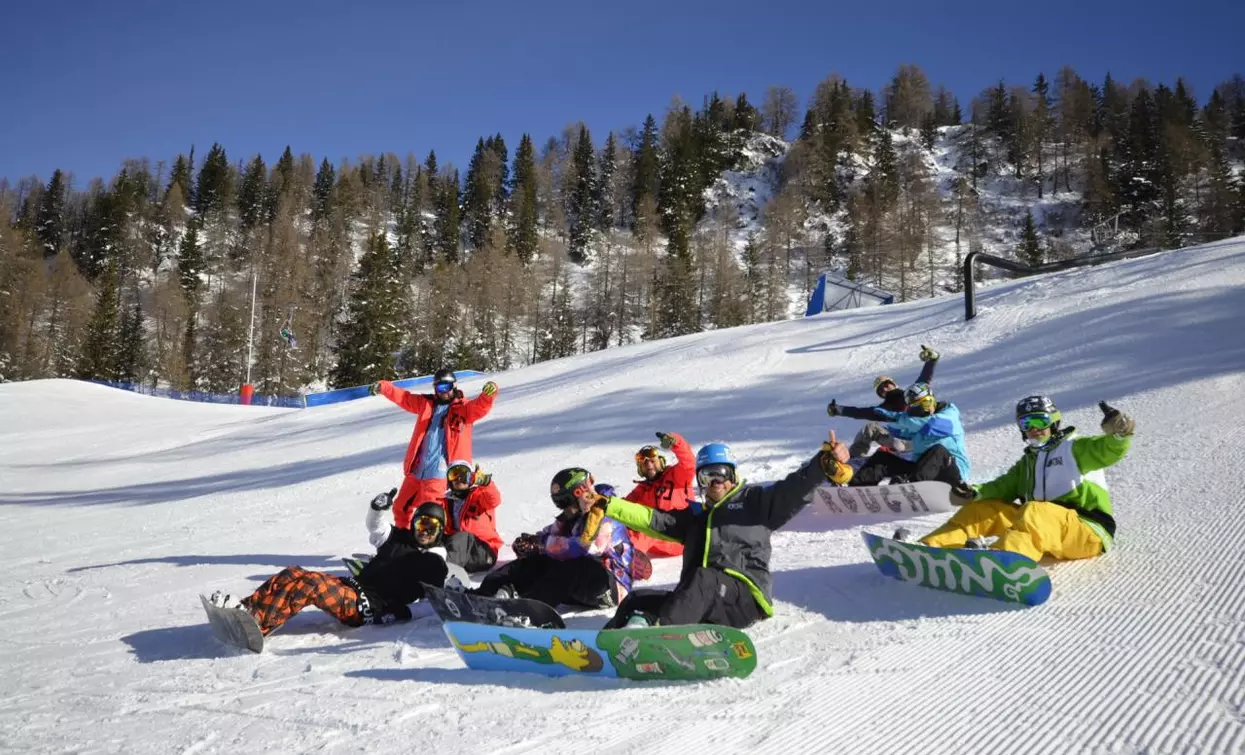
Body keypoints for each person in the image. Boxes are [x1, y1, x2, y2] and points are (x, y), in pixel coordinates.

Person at [591, 431, 851, 630]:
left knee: (704, 578)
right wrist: (608, 504)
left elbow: (791, 490)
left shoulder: (755, 502)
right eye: (707, 477)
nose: (715, 482)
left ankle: (663, 637)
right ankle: (606, 645)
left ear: (733, 475)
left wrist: (822, 465)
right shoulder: (696, 517)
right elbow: (651, 519)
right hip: (703, 599)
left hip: (744, 600)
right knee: (638, 600)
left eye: (721, 473)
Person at [915, 398, 1135, 562]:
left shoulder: (1075, 448)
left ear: (1054, 422)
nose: (1033, 429)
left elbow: (1108, 450)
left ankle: (1002, 561)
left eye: (1040, 420)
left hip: (1087, 529)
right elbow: (1002, 486)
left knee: (1035, 510)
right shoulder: (1029, 462)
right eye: (1026, 423)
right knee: (981, 509)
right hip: (1044, 529)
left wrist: (1119, 434)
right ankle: (928, 550)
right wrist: (974, 492)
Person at [209, 501, 449, 636]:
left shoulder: (434, 564)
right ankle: (247, 608)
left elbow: (434, 603)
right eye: (421, 524)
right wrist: (377, 508)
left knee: (310, 586)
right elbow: (375, 527)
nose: (424, 531)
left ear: (440, 532)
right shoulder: (399, 538)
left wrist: (402, 613)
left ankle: (258, 624)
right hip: (352, 588)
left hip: (366, 608)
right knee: (293, 573)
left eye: (432, 527)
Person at [475, 469, 639, 610]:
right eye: (559, 502)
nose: (564, 507)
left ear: (580, 494)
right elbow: (549, 536)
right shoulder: (571, 517)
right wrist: (533, 542)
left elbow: (587, 547)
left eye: (565, 501)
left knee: (575, 566)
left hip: (609, 587)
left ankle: (526, 609)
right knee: (533, 563)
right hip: (575, 585)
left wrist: (544, 545)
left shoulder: (605, 514)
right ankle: (483, 595)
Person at [369, 368, 497, 530]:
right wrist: (384, 387)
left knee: (431, 513)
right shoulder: (426, 404)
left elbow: (480, 407)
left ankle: (430, 547)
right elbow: (404, 398)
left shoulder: (463, 408)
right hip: (417, 468)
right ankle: (402, 540)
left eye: (447, 387)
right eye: (439, 388)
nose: (444, 392)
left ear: (454, 387)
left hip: (440, 472)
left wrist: (488, 395)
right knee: (401, 507)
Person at [831, 380, 969, 487]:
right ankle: (857, 487)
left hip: (952, 474)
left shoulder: (949, 416)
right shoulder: (916, 423)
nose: (923, 410)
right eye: (916, 408)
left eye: (925, 404)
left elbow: (929, 424)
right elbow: (902, 431)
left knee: (938, 451)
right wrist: (890, 423)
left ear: (932, 400)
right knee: (882, 458)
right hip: (921, 473)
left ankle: (911, 485)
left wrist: (897, 418)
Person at [828, 344, 940, 459]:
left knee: (870, 428)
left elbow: (924, 378)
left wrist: (932, 360)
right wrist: (932, 359)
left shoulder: (907, 396)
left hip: (905, 442)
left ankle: (852, 460)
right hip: (917, 440)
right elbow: (859, 412)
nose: (885, 389)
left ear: (894, 384)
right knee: (877, 429)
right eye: (881, 390)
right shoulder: (892, 403)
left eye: (886, 385)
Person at [621, 432, 696, 558]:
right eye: (644, 463)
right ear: (640, 469)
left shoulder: (677, 476)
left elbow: (689, 463)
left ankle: (628, 559)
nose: (649, 465)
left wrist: (676, 442)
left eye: (652, 461)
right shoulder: (641, 490)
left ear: (661, 462)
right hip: (661, 540)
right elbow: (623, 507)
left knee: (647, 528)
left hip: (682, 535)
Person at [441, 459, 503, 572]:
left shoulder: (479, 496)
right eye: (454, 474)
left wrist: (485, 482)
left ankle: (442, 573)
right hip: (459, 550)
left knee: (463, 537)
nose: (459, 479)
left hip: (483, 552)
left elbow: (494, 500)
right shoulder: (445, 502)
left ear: (470, 478)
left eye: (463, 475)